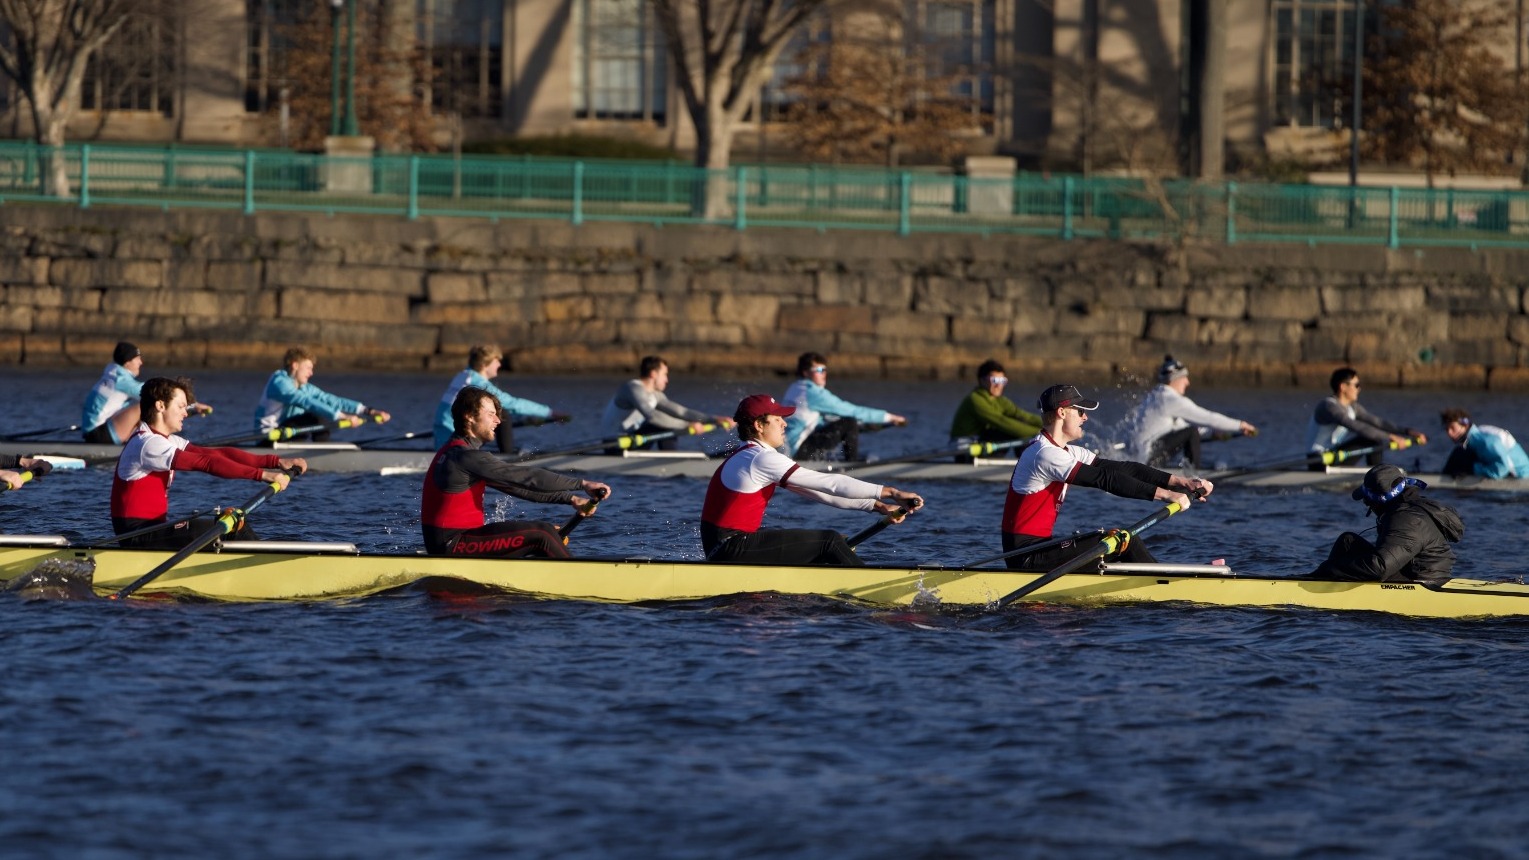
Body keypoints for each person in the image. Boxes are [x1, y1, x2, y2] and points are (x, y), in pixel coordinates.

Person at [1001, 384, 1213, 571]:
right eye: (1080, 411)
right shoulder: (1045, 454)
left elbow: (1124, 470)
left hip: (1041, 548)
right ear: (1062, 413)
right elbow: (1106, 480)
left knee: (1120, 541)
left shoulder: (1069, 452)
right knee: (1124, 540)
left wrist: (1180, 482)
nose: (1085, 417)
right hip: (1025, 556)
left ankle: (1156, 580)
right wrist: (1167, 495)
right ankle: (1168, 586)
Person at [701, 394, 923, 566]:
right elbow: (831, 484)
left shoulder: (748, 455)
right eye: (777, 419)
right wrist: (892, 492)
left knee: (827, 544)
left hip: (723, 547)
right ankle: (878, 589)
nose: (784, 424)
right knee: (830, 542)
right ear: (759, 426)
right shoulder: (761, 458)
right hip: (730, 547)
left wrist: (879, 506)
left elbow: (820, 493)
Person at [113, 377, 307, 549]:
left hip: (153, 531)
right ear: (160, 406)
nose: (186, 413)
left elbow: (217, 454)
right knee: (232, 522)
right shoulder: (147, 444)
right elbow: (206, 463)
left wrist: (276, 462)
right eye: (181, 406)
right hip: (137, 537)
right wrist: (263, 475)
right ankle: (266, 566)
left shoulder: (167, 440)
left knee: (231, 521)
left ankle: (252, 561)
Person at [423, 386, 611, 559]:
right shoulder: (466, 457)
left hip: (455, 542)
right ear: (469, 416)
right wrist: (582, 484)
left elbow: (520, 488)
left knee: (545, 534)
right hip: (453, 546)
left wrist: (571, 499)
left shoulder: (454, 451)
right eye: (491, 414)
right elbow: (529, 478)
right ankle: (579, 582)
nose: (498, 420)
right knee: (543, 533)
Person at [1310, 464, 1463, 583]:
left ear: (1379, 500)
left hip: (1420, 581)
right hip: (1410, 572)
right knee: (1348, 541)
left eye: (1367, 500)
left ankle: (1318, 584)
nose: (1365, 504)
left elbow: (1381, 567)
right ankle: (1318, 581)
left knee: (1336, 564)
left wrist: (1331, 568)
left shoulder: (1408, 519)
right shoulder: (1405, 508)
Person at [1123, 356, 1257, 468]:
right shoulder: (1171, 400)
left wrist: (1214, 434)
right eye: (1184, 377)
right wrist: (1240, 425)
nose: (1188, 382)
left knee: (1190, 432)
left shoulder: (1155, 396)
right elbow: (1208, 418)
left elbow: (1180, 427)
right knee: (1191, 432)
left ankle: (1189, 472)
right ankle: (1195, 476)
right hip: (1149, 460)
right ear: (1175, 379)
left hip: (1142, 457)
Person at [432, 345, 568, 452]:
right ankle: (507, 457)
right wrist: (549, 412)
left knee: (495, 413)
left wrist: (528, 419)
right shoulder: (478, 384)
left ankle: (504, 453)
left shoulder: (463, 375)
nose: (499, 365)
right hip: (454, 438)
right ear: (485, 364)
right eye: (496, 361)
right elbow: (513, 404)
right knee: (503, 413)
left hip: (441, 433)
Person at [782, 352, 907, 461]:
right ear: (806, 373)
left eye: (825, 370)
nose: (824, 374)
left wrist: (881, 425)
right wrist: (889, 417)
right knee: (849, 422)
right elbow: (852, 411)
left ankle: (849, 461)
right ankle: (852, 466)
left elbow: (820, 421)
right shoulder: (812, 393)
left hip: (789, 450)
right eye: (819, 370)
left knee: (844, 423)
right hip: (797, 452)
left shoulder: (794, 388)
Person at [82, 342, 211, 445]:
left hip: (96, 432)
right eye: (137, 358)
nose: (141, 362)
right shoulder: (120, 381)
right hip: (99, 435)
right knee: (148, 402)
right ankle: (154, 442)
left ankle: (142, 440)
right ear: (127, 363)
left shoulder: (113, 376)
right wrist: (194, 406)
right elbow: (159, 392)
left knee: (148, 404)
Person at [254, 347, 390, 441]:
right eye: (308, 368)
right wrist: (341, 416)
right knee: (316, 415)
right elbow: (305, 401)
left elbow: (331, 400)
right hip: (267, 438)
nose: (311, 373)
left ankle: (319, 451)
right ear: (295, 365)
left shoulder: (303, 387)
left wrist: (369, 411)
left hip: (285, 433)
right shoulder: (279, 382)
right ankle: (323, 452)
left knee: (319, 410)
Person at [601, 355, 730, 452]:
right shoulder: (633, 389)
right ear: (653, 374)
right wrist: (687, 425)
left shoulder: (655, 395)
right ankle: (671, 463)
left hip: (631, 440)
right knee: (664, 424)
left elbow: (682, 412)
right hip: (614, 443)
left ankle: (669, 459)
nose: (667, 380)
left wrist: (714, 419)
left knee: (668, 422)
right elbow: (652, 416)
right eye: (664, 374)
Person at [1307, 367, 1425, 467]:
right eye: (1356, 385)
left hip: (1334, 455)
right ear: (1343, 387)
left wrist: (1407, 431)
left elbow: (1378, 422)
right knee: (1372, 438)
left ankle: (1375, 475)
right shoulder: (1328, 407)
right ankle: (1377, 477)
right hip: (1318, 459)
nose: (1359, 389)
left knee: (1374, 438)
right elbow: (1357, 427)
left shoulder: (1353, 407)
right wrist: (1390, 437)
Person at [948, 359, 1040, 459]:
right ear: (982, 380)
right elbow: (1002, 422)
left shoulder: (1001, 401)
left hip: (982, 444)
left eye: (1002, 381)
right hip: (964, 449)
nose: (999, 385)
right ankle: (1027, 466)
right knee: (1011, 430)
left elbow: (1025, 416)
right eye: (994, 380)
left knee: (1019, 423)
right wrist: (1040, 432)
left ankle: (1028, 463)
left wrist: (1052, 424)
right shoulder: (975, 400)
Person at [1438, 407, 1529, 479]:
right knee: (1459, 454)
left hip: (1521, 477)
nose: (1449, 433)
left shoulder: (1485, 441)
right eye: (1447, 429)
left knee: (1459, 454)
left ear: (1465, 425)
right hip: (1511, 474)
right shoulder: (1476, 435)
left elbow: (1502, 469)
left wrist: (1473, 469)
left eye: (1452, 428)